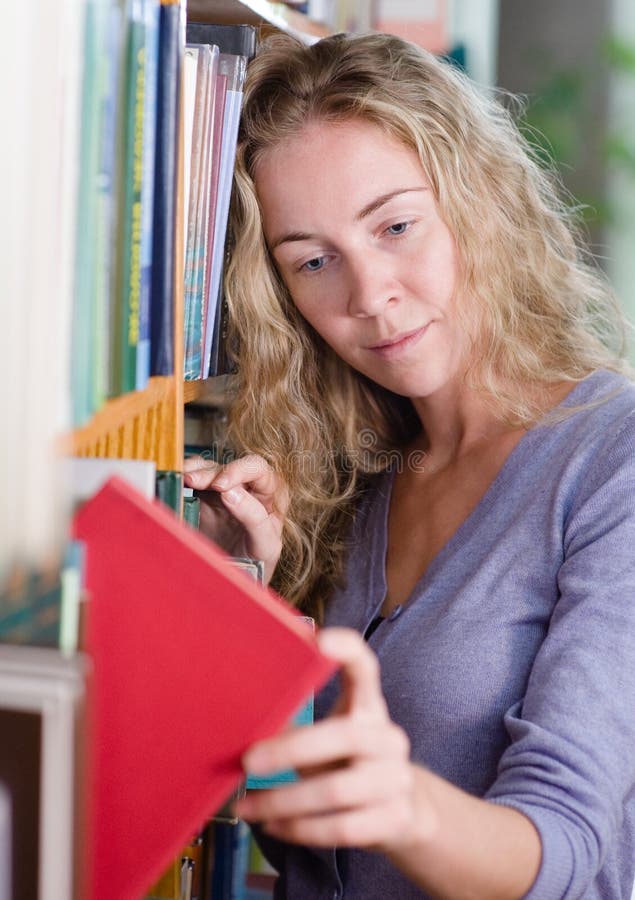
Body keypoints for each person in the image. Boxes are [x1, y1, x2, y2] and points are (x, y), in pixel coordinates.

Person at [183, 31, 635, 899]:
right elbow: (290, 814)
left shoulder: (610, 458)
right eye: (313, 261)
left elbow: (565, 845)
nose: (368, 294)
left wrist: (405, 809)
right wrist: (247, 585)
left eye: (395, 226)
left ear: (480, 203)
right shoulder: (357, 468)